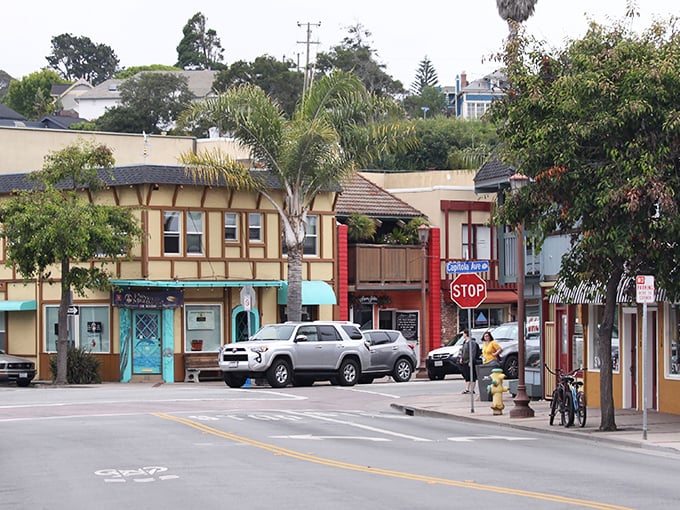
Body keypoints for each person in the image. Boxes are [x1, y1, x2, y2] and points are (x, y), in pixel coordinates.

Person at [458, 329, 481, 394]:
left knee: (472, 375)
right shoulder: (465, 342)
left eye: (463, 334)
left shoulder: (472, 342)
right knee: (467, 375)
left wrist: (471, 361)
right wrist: (461, 358)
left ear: (466, 334)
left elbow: (473, 352)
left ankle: (472, 389)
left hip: (470, 361)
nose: (463, 335)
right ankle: (467, 389)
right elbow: (463, 351)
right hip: (465, 361)